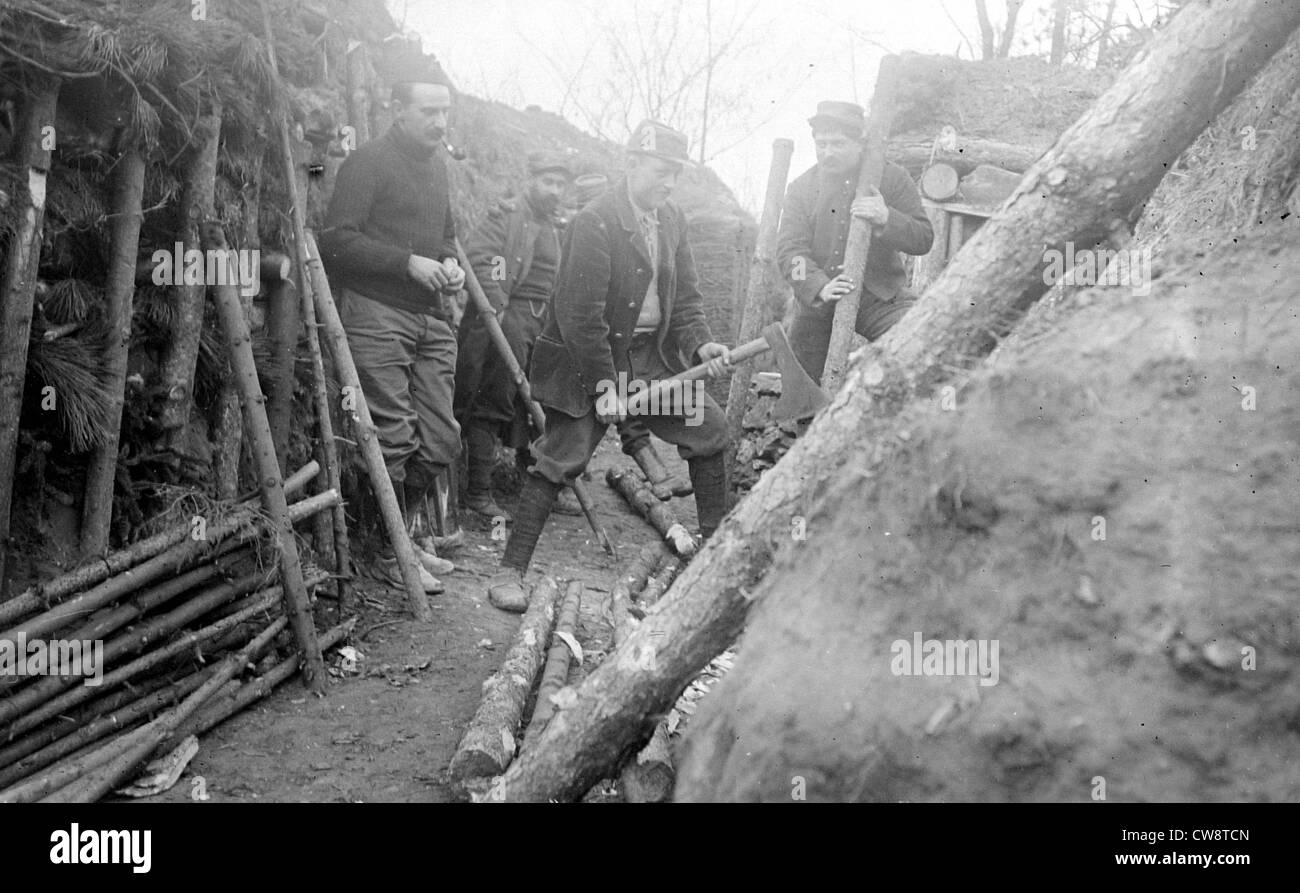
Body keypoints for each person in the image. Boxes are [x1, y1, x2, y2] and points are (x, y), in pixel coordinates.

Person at [486, 121, 733, 612]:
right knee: (561, 456)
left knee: (710, 430)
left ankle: (715, 561)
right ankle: (509, 573)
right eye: (662, 171)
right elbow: (580, 317)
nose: (668, 183)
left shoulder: (672, 220)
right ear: (633, 163)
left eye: (676, 175)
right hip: (586, 360)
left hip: (650, 363)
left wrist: (700, 343)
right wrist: (605, 387)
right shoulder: (595, 221)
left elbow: (685, 298)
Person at [319, 76, 465, 593]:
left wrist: (448, 263)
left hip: (429, 317)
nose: (440, 122)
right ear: (398, 110)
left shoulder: (438, 168)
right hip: (376, 312)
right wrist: (406, 263)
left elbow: (445, 237)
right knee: (393, 438)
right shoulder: (370, 162)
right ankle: (387, 551)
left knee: (443, 437)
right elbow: (334, 242)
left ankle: (400, 536)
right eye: (428, 111)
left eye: (445, 111)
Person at [455, 150, 575, 521]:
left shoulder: (560, 228)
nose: (554, 191)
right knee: (494, 401)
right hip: (510, 316)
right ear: (531, 181)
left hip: (547, 326)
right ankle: (477, 492)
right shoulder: (507, 218)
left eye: (560, 184)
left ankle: (535, 486)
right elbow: (487, 260)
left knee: (545, 404)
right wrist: (500, 303)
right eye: (548, 182)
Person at [777, 100, 934, 382]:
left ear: (859, 143)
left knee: (919, 342)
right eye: (821, 144)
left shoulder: (892, 177)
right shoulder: (801, 188)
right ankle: (806, 425)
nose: (827, 152)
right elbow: (791, 253)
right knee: (801, 380)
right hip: (821, 299)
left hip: (879, 295)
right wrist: (817, 286)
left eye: (837, 144)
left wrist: (887, 217)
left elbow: (923, 238)